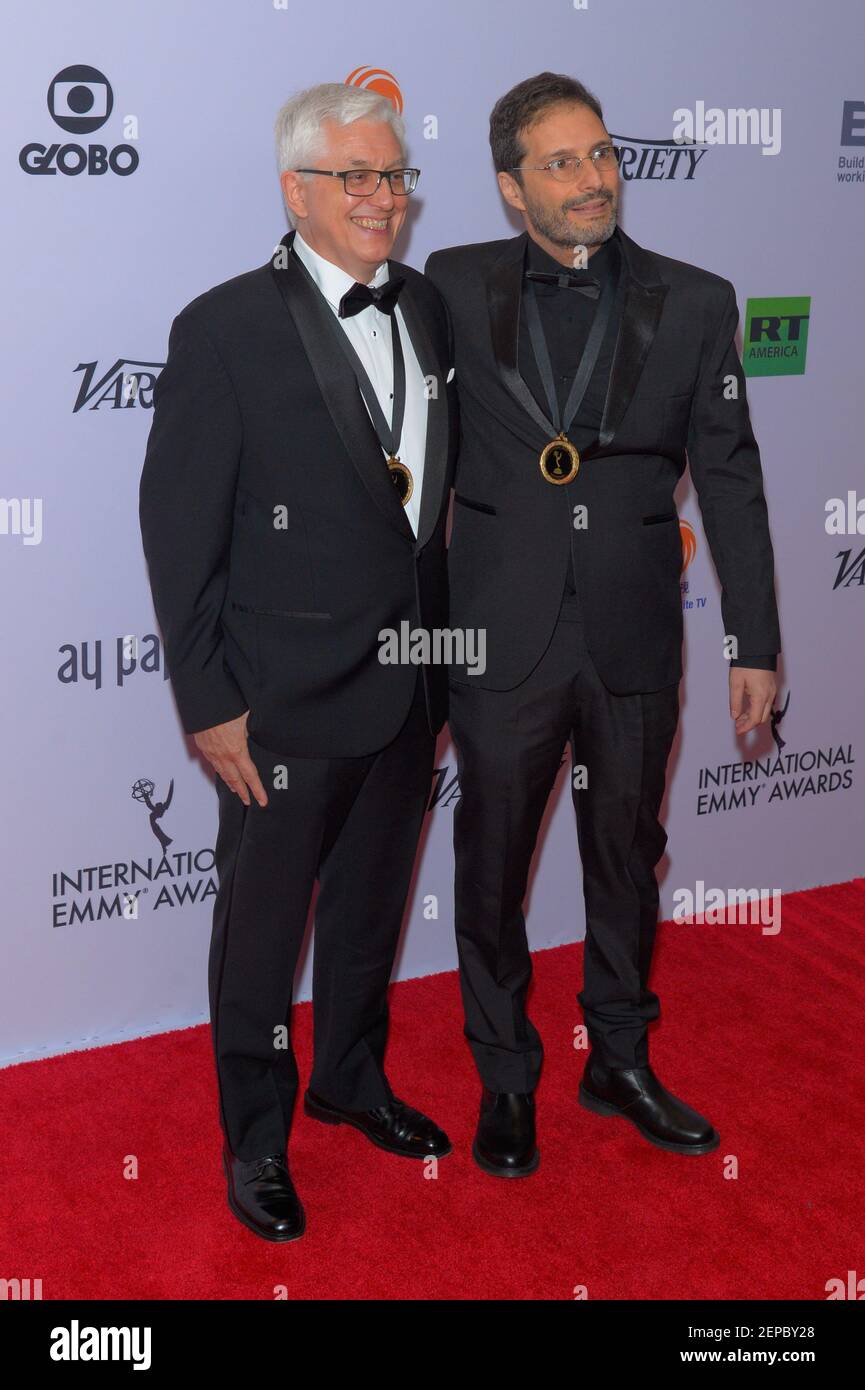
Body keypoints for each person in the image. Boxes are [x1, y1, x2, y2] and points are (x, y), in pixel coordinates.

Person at [425, 72, 780, 1177]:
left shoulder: (697, 298)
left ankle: (617, 1059)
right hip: (497, 631)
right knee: (489, 866)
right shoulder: (448, 282)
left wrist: (755, 640)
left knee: (627, 855)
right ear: (508, 187)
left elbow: (729, 479)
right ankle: (506, 1076)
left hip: (633, 629)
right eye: (562, 163)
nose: (592, 179)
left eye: (600, 156)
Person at [139, 82, 457, 1240]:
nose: (384, 199)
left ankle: (351, 1079)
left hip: (410, 683)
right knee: (264, 935)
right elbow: (179, 528)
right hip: (276, 700)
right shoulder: (222, 327)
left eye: (393, 178)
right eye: (357, 178)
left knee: (372, 911)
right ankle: (256, 1139)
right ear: (297, 189)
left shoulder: (427, 309)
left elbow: (429, 509)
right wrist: (209, 698)